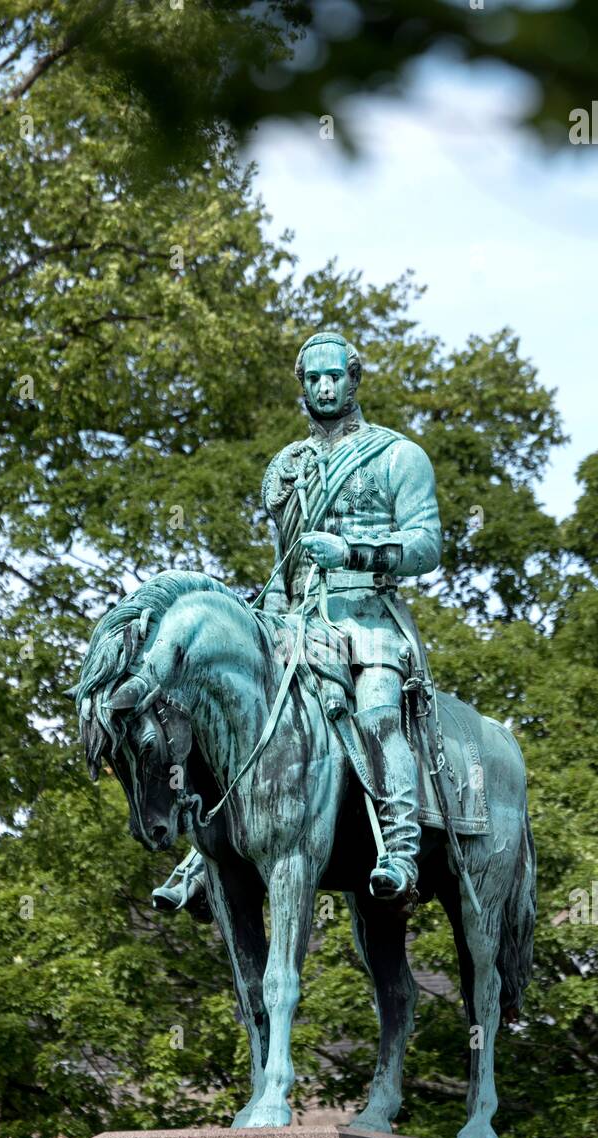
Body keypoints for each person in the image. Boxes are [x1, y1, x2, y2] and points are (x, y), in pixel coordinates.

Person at [153, 330, 442, 914]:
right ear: (302, 385)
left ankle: (403, 849)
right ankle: (205, 853)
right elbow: (287, 565)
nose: (325, 386)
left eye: (334, 375)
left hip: (369, 616)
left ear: (354, 379)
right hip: (295, 618)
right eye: (313, 378)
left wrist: (354, 553)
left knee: (380, 711)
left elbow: (426, 545)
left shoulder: (397, 455)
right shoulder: (284, 466)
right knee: (228, 708)